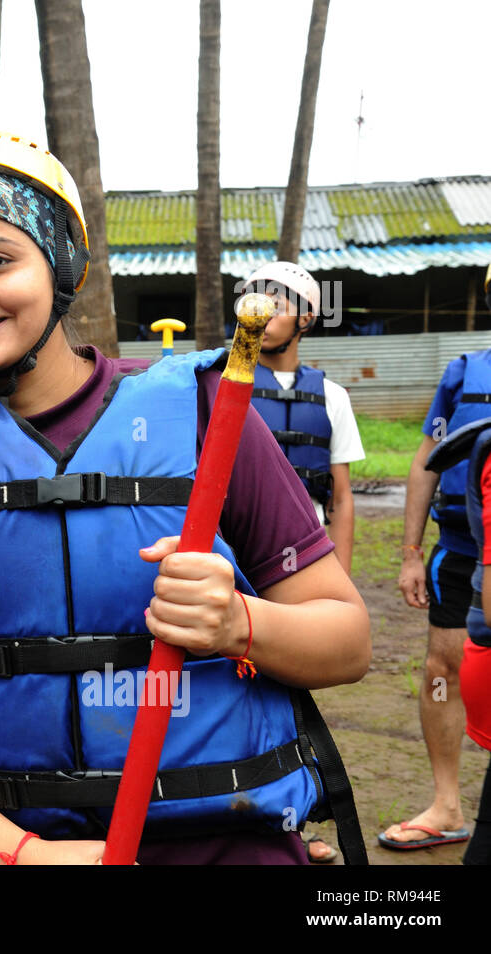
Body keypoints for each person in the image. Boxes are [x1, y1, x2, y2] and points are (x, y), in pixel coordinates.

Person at [0, 131, 371, 865]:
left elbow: (347, 642)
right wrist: (24, 855)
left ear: (59, 265)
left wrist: (241, 622)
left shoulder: (211, 416)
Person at [242, 260, 366, 863]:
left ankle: (301, 825)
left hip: (303, 570)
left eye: (279, 299)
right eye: (255, 296)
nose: (264, 308)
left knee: (296, 697)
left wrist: (335, 585)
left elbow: (341, 498)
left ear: (308, 317)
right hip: (244, 565)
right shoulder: (225, 385)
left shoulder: (332, 396)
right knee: (246, 693)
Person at [386, 294, 491, 850]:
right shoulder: (463, 372)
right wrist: (409, 552)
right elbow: (427, 459)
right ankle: (447, 805)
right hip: (461, 552)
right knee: (441, 670)